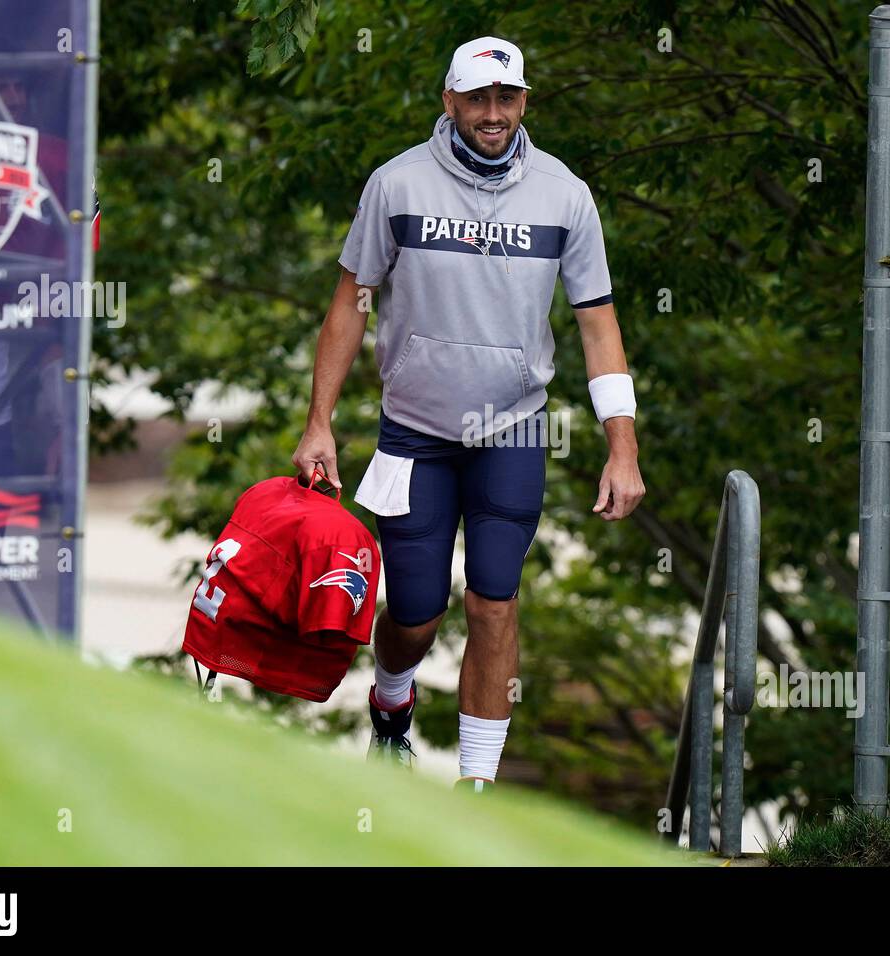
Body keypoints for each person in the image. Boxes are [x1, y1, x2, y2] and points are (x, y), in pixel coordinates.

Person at [290, 36, 644, 791]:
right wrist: (319, 421)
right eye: (477, 99)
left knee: (493, 601)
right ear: (448, 102)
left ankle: (476, 787)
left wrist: (624, 447)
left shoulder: (564, 194)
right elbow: (350, 306)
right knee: (415, 612)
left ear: (524, 103)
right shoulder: (397, 184)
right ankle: (391, 703)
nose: (492, 114)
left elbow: (597, 323)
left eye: (506, 98)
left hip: (512, 429)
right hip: (414, 433)